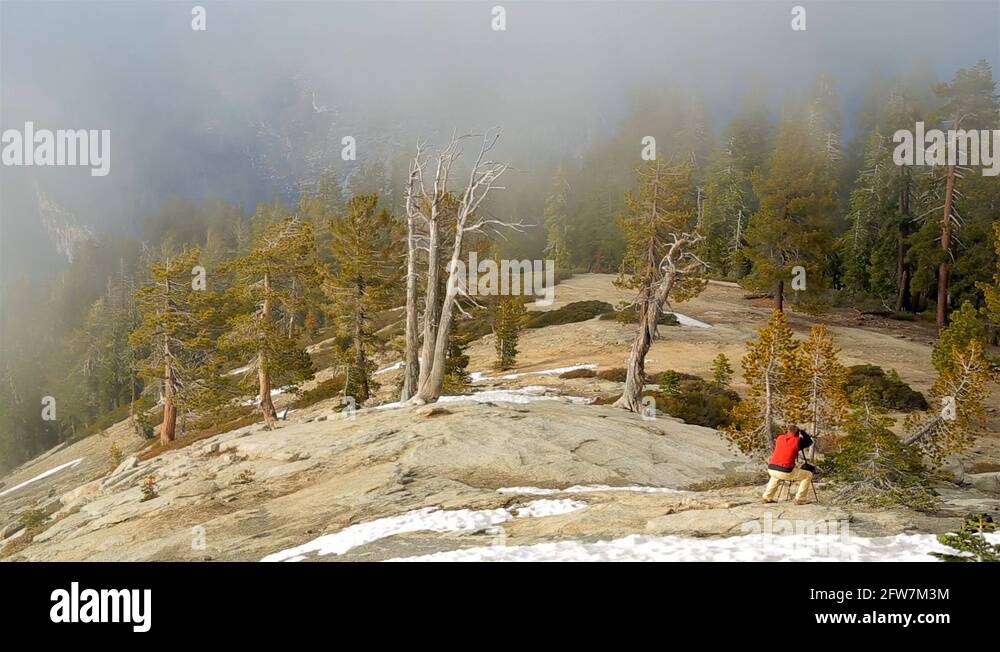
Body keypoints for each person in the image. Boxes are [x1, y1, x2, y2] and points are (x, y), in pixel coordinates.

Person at [762, 426, 814, 504]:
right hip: (785, 470)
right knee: (808, 475)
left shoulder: (780, 438)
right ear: (797, 433)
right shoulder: (797, 441)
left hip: (771, 468)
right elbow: (809, 442)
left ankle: (767, 497)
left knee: (775, 477)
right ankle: (800, 499)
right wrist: (802, 432)